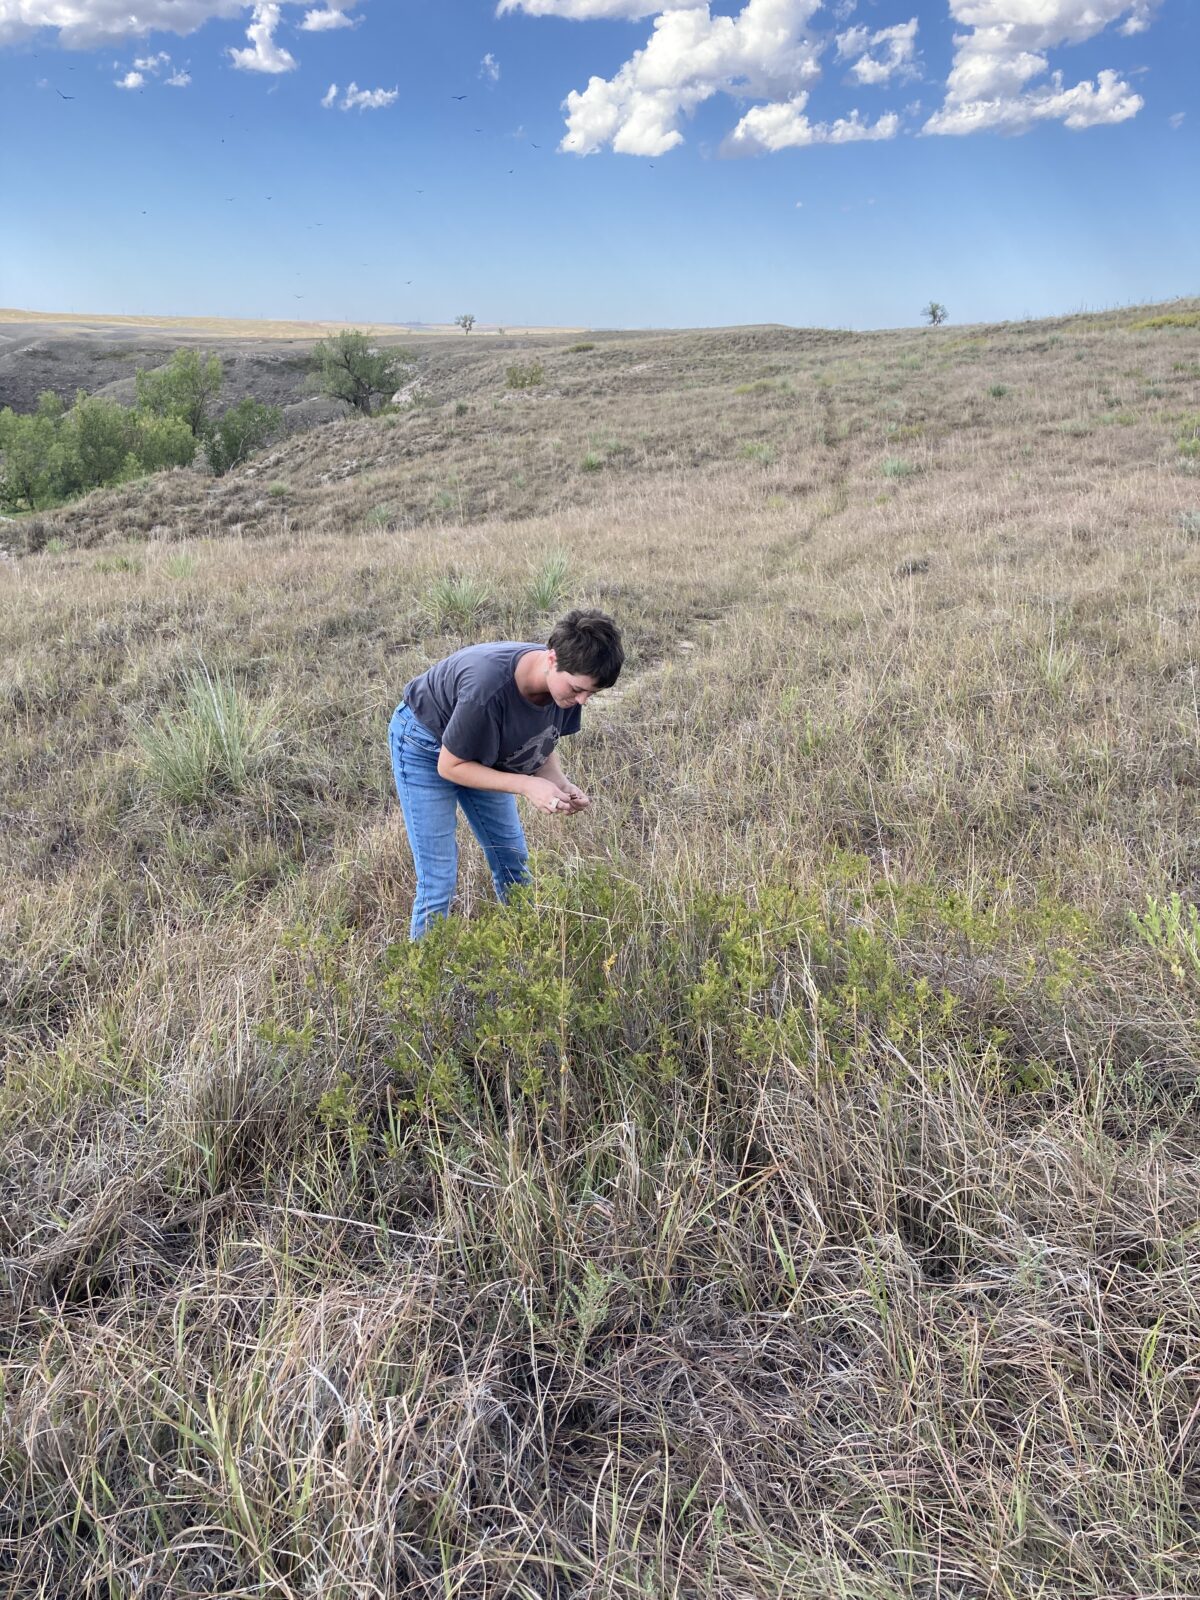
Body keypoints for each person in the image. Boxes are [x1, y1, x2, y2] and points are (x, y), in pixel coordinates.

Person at [388, 608, 624, 940]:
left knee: (513, 860)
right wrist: (527, 785)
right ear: (552, 659)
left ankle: (524, 949)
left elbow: (542, 740)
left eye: (591, 693)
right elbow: (450, 766)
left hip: (482, 746)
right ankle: (425, 968)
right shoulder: (486, 689)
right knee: (439, 877)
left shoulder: (563, 689)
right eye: (577, 689)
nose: (582, 700)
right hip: (425, 746)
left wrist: (558, 782)